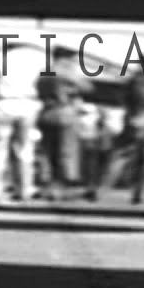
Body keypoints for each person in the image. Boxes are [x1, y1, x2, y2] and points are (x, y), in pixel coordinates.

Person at [88, 56, 144, 205]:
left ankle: (100, 190)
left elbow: (123, 99)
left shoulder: (134, 83)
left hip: (136, 122)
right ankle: (140, 194)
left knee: (119, 157)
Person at [0, 43, 44, 202]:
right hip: (28, 103)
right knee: (25, 149)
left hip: (3, 102)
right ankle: (25, 188)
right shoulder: (37, 60)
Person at [34, 46, 92, 198]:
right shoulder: (66, 73)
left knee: (47, 152)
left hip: (46, 113)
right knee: (66, 152)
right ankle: (63, 186)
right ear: (65, 58)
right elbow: (87, 87)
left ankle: (47, 185)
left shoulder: (44, 72)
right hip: (65, 113)